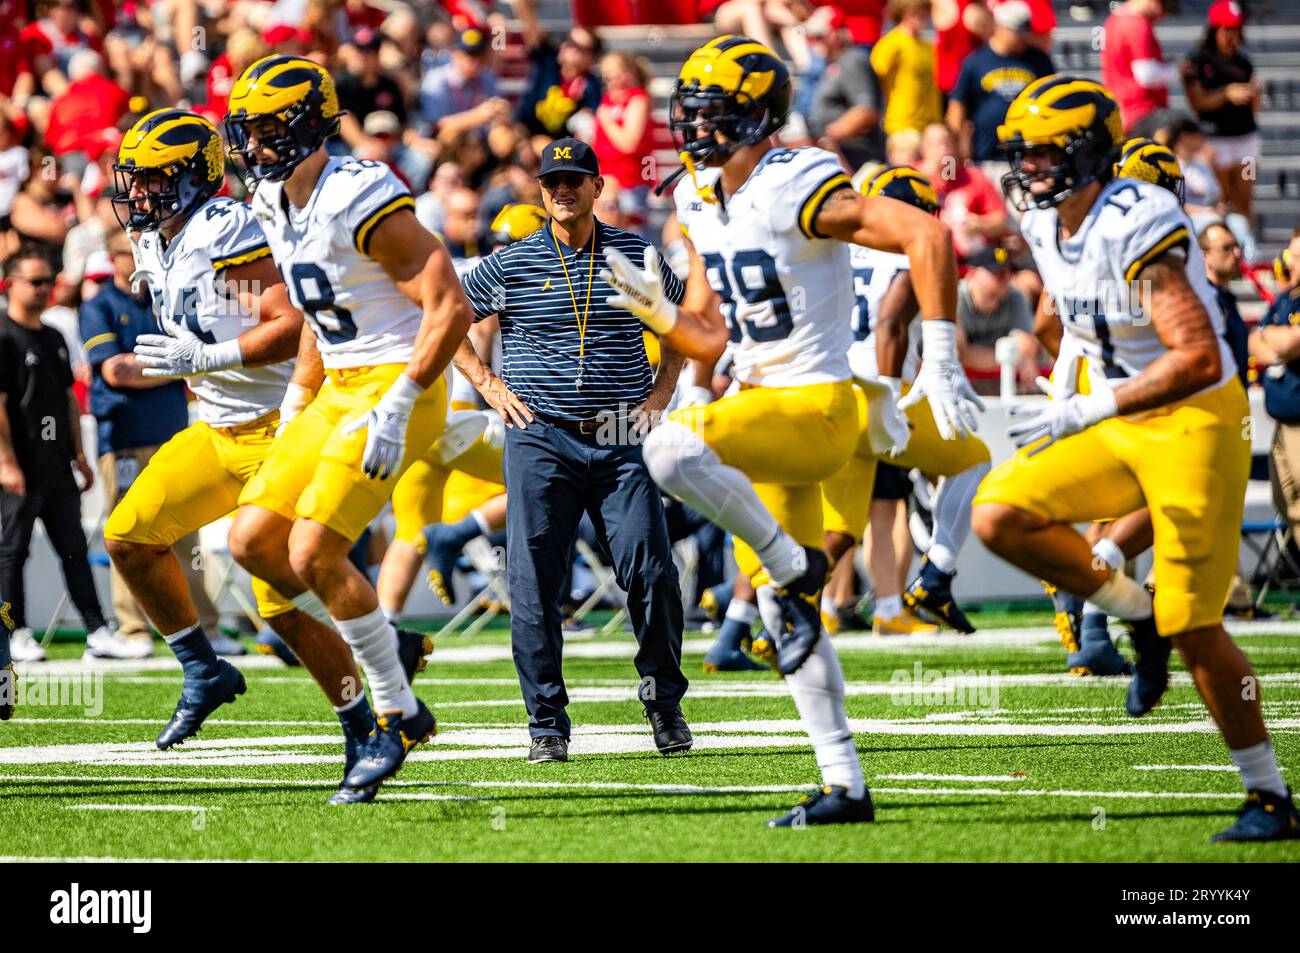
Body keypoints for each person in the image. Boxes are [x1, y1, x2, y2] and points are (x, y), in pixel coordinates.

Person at [607, 36, 975, 826]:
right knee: (783, 614)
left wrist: (940, 354)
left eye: (716, 112)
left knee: (670, 446)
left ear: (758, 118)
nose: (696, 125)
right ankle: (845, 782)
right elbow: (711, 333)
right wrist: (659, 312)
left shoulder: (793, 179)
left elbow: (930, 236)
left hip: (816, 408)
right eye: (692, 110)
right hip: (761, 415)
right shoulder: (697, 198)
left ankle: (796, 560)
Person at [973, 74, 1298, 842]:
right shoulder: (1046, 223)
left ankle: (1269, 795)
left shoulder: (1135, 216)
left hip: (1192, 418)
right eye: (1026, 152)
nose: (1033, 166)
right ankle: (1132, 613)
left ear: (1091, 152)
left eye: (1048, 152)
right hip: (1124, 411)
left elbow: (1192, 357)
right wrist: (1068, 384)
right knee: (999, 515)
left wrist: (1088, 405)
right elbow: (1078, 322)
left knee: (1197, 626)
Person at [223, 55, 473, 800]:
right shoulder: (276, 199)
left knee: (313, 550)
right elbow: (316, 311)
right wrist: (300, 399)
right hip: (339, 382)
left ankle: (395, 715)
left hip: (401, 381)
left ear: (306, 126)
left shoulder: (358, 192)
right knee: (252, 542)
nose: (255, 145)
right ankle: (387, 642)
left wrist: (399, 402)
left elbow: (450, 305)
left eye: (269, 129)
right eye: (250, 131)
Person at [455, 137, 693, 764]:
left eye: (574, 181)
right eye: (552, 182)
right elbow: (444, 317)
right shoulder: (512, 262)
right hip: (541, 432)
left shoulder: (632, 255)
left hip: (620, 432)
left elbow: (682, 325)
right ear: (541, 192)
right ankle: (546, 724)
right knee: (534, 580)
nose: (562, 191)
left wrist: (662, 392)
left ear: (597, 187)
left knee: (650, 568)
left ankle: (664, 702)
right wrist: (487, 385)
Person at [821, 166, 989, 637]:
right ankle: (935, 576)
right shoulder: (907, 251)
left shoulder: (836, 249)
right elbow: (891, 325)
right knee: (972, 461)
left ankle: (757, 614)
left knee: (839, 530)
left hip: (835, 394)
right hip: (879, 391)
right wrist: (890, 396)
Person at [79, 228, 224, 660]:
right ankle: (133, 629)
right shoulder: (98, 306)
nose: (141, 259)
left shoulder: (165, 303)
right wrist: (176, 366)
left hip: (172, 434)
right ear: (113, 258)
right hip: (123, 438)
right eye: (131, 252)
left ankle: (205, 628)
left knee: (185, 536)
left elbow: (195, 353)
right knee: (128, 534)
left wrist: (168, 364)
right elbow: (114, 373)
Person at [0, 245, 113, 664]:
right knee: (13, 550)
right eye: (36, 281)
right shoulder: (3, 334)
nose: (45, 289)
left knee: (73, 549)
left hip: (57, 464)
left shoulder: (54, 335)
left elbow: (67, 397)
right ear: (11, 284)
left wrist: (80, 455)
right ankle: (15, 633)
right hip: (20, 466)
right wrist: (6, 462)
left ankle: (99, 630)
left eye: (49, 281)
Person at [947, 0, 1052, 177]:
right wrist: (958, 151)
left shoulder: (1039, 60)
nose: (1021, 38)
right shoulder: (976, 61)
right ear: (999, 26)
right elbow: (957, 110)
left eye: (1023, 32)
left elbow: (1051, 101)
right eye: (1015, 32)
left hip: (1028, 158)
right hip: (985, 158)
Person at [1183, 0, 1259, 226]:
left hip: (1247, 141)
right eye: (1227, 30)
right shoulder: (1198, 61)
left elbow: (1255, 108)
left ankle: (1247, 245)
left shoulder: (1243, 61)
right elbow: (1197, 102)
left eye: (1237, 30)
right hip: (1216, 139)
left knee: (1245, 196)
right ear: (1215, 30)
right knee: (1221, 199)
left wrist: (1255, 95)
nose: (1232, 37)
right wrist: (1227, 93)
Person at [956, 244, 1040, 391]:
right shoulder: (956, 298)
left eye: (1007, 272)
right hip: (962, 385)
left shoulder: (1015, 296)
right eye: (996, 273)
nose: (1005, 278)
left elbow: (1026, 347)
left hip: (1001, 384)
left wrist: (979, 357)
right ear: (972, 273)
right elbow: (959, 353)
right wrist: (1008, 359)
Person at [808, 15, 886, 169]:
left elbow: (865, 112)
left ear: (835, 34)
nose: (813, 42)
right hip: (843, 154)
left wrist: (826, 136)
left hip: (856, 157)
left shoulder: (852, 59)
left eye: (818, 37)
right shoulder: (837, 62)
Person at [1101, 0, 1176, 136]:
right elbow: (1147, 75)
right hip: (1143, 113)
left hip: (1122, 113)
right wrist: (1178, 70)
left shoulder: (1113, 20)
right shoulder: (1137, 25)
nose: (1162, 15)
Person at [870, 0, 942, 137]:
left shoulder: (928, 46)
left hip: (931, 125)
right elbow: (875, 76)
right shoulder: (891, 43)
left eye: (924, 12)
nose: (922, 17)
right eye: (915, 13)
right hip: (903, 125)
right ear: (902, 13)